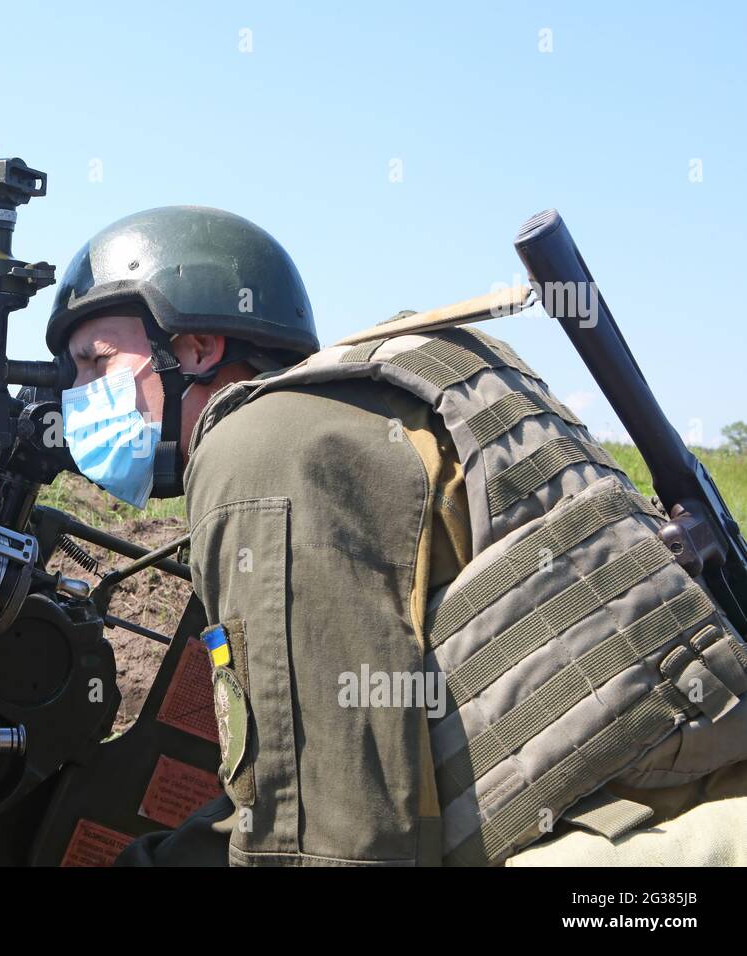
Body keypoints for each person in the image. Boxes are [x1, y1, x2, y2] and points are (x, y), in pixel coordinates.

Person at [47, 205, 747, 866]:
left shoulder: (260, 448)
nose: (77, 396)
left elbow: (332, 843)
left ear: (195, 346)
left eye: (94, 363)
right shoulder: (384, 399)